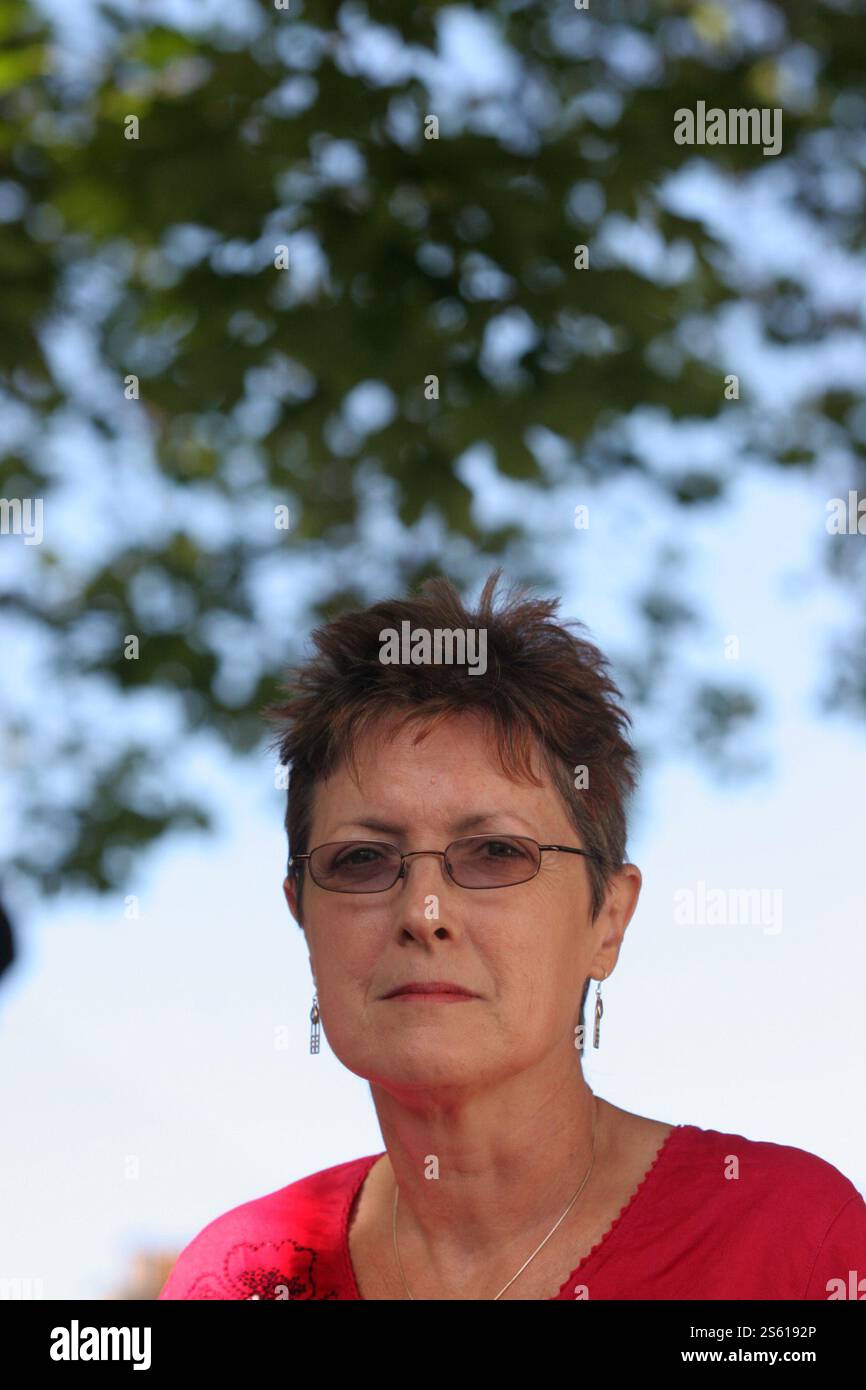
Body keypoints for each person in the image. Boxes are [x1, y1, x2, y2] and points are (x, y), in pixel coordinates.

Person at [158, 571, 866, 1300]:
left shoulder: (790, 1242)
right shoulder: (240, 1276)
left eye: (496, 852)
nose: (422, 911)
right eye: (363, 859)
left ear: (608, 919)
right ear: (302, 918)